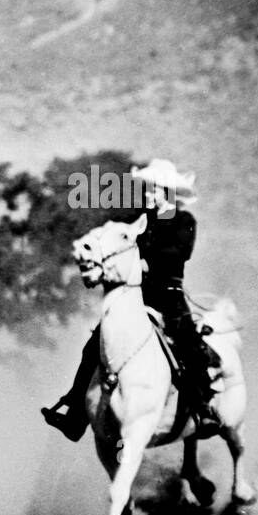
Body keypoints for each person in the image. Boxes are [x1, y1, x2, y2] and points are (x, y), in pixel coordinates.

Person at [41, 160, 221, 441]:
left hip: (169, 296)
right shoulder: (140, 220)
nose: (148, 194)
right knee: (94, 346)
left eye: (153, 190)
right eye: (147, 189)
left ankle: (203, 408)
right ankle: (75, 411)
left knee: (189, 344)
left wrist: (146, 260)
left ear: (167, 192)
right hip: (136, 297)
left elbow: (180, 252)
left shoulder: (184, 221)